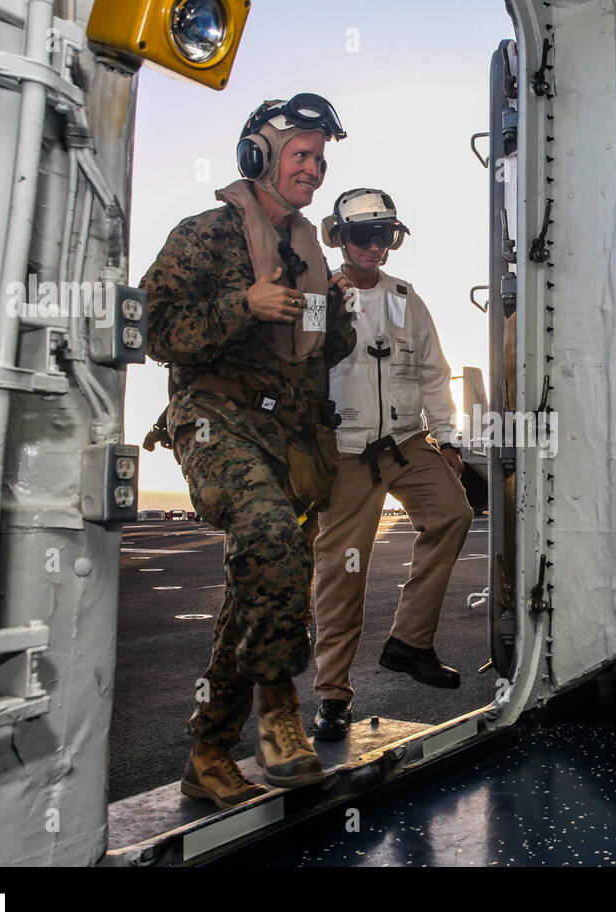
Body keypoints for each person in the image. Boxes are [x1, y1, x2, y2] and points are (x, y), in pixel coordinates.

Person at [142, 94, 356, 808]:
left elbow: (327, 348)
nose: (315, 169)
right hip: (212, 416)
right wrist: (244, 305)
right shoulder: (203, 236)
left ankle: (207, 752)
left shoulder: (309, 254)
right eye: (302, 154)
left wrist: (340, 308)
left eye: (322, 159)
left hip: (287, 436)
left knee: (260, 585)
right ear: (258, 156)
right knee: (269, 537)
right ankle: (280, 711)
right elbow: (155, 329)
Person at [310, 188, 473, 740]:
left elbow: (433, 370)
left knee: (452, 514)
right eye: (362, 236)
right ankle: (333, 694)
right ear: (340, 237)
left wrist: (447, 439)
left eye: (384, 236)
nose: (375, 247)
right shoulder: (319, 294)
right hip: (347, 451)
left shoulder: (405, 297)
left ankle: (410, 643)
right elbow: (298, 362)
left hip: (406, 443)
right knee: (344, 568)